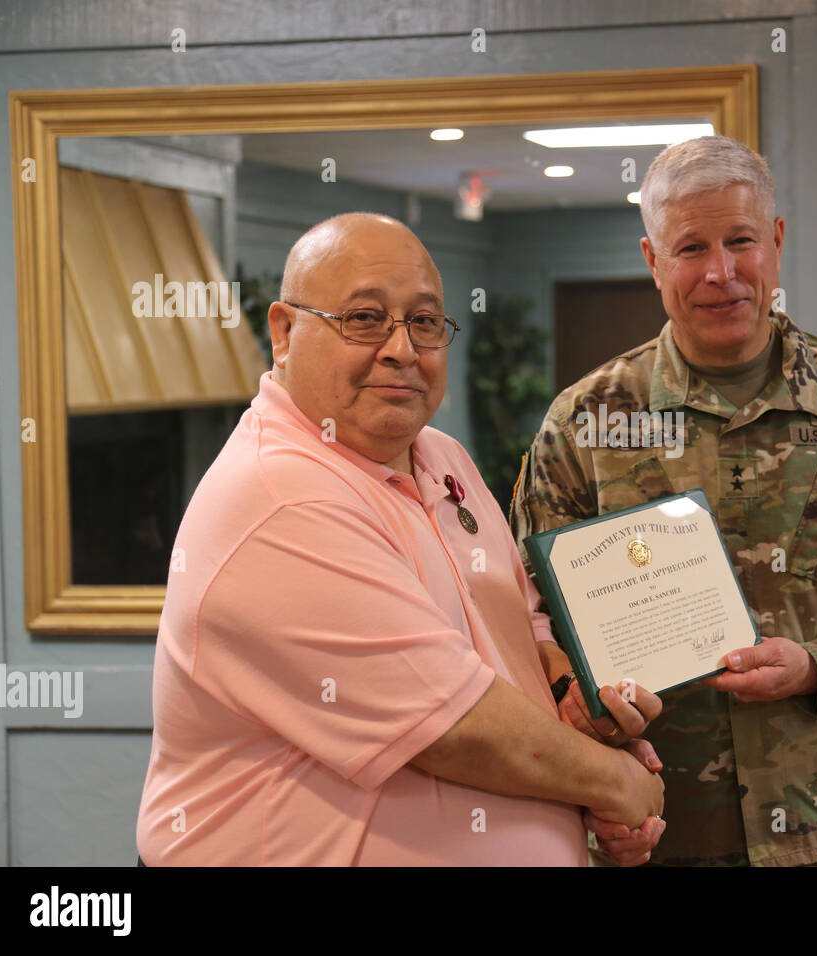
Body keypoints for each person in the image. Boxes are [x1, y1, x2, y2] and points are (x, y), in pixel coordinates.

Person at [510, 136, 817, 866]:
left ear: (776, 241)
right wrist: (572, 690)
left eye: (740, 241)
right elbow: (524, 619)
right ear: (651, 260)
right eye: (690, 248)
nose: (720, 273)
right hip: (662, 829)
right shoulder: (586, 423)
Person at [136, 213, 665, 866]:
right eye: (363, 318)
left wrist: (574, 703)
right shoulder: (278, 499)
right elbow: (456, 728)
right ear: (283, 331)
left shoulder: (442, 457)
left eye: (423, 322)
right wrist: (618, 783)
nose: (401, 348)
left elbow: (519, 626)